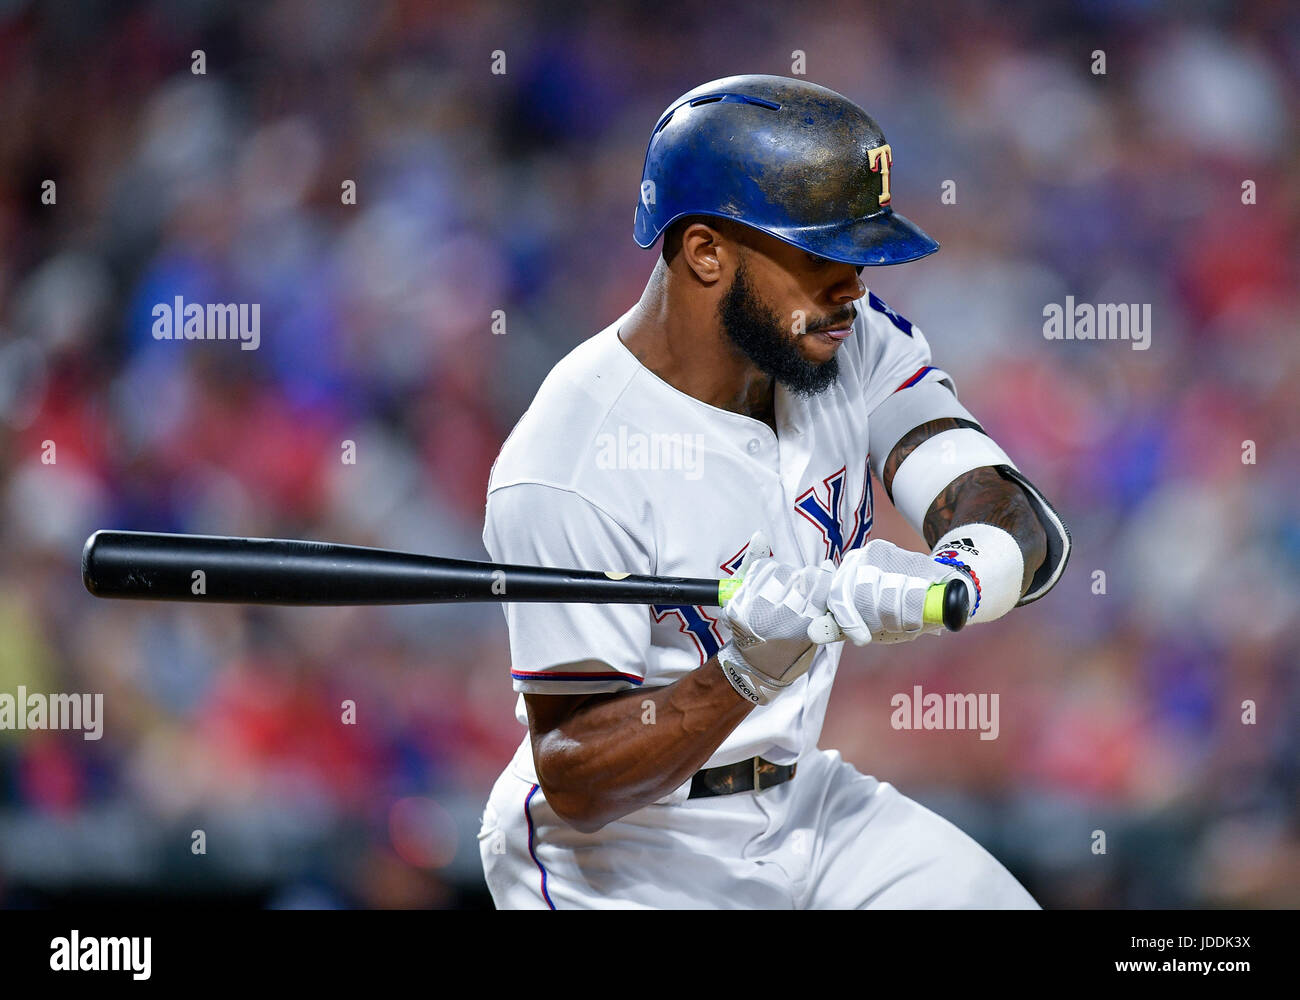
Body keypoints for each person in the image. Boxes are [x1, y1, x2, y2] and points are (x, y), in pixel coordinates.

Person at [477, 75, 1070, 909]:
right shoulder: (569, 459)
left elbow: (1009, 512)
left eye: (859, 257)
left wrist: (954, 579)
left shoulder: (849, 343)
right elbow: (577, 775)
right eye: (821, 255)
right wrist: (747, 670)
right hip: (621, 855)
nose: (853, 287)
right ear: (706, 251)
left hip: (805, 804)